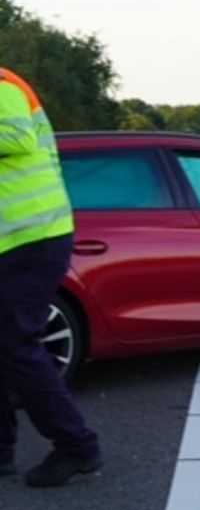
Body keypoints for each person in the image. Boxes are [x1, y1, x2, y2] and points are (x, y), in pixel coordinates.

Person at [0, 66, 102, 487]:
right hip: (18, 237)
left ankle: (77, 447)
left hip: (32, 236)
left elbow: (16, 137)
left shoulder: (3, 85)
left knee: (16, 344)